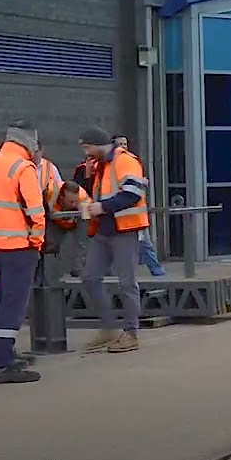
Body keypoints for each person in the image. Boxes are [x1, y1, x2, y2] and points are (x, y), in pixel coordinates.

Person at [0, 120, 45, 383]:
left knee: (0, 301)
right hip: (19, 247)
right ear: (29, 140)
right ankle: (4, 365)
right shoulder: (23, 168)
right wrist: (36, 242)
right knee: (13, 306)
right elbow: (36, 212)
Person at [78, 126, 150, 354]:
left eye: (88, 147)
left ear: (98, 144)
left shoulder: (125, 161)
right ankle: (109, 328)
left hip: (125, 230)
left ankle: (131, 333)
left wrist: (102, 207)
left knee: (127, 283)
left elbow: (133, 193)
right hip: (103, 229)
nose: (86, 153)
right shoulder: (101, 165)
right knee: (90, 277)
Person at [111, 135, 166, 276]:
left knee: (145, 243)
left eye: (125, 144)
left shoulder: (131, 160)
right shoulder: (111, 163)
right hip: (119, 214)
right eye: (120, 144)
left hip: (135, 214)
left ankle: (156, 269)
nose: (123, 147)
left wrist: (141, 182)